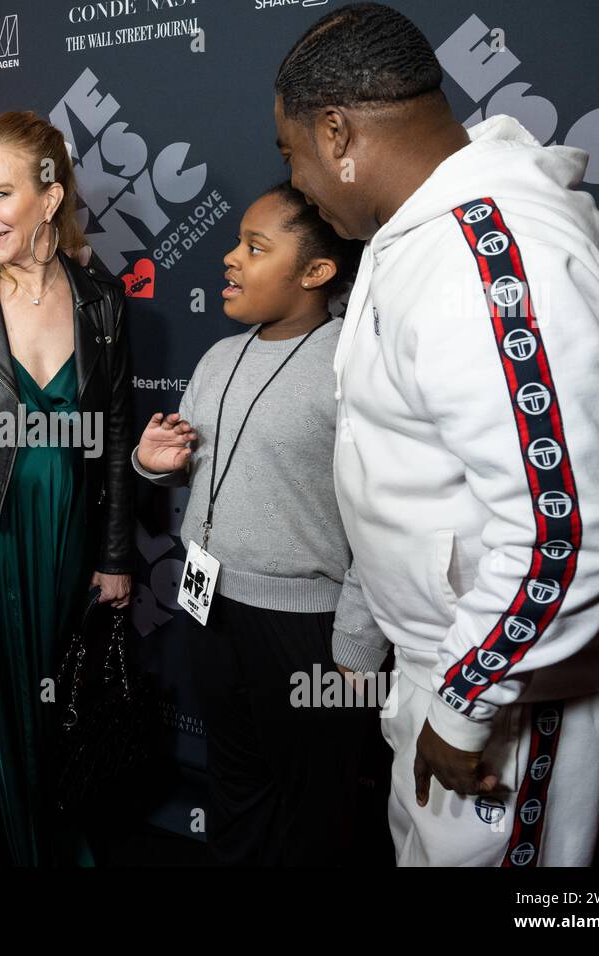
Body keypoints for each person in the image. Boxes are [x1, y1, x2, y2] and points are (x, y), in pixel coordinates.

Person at [272, 2, 599, 866]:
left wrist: (460, 708)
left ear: (337, 133)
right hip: (461, 668)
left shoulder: (489, 263)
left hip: (520, 693)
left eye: (293, 153)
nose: (296, 180)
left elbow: (564, 537)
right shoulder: (410, 235)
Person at [0, 110, 134, 866]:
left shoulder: (103, 304)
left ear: (49, 193)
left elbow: (112, 443)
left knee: (57, 711)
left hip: (67, 540)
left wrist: (113, 555)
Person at [134, 184, 378, 865]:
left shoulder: (350, 370)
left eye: (255, 247)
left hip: (308, 631)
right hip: (211, 609)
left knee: (315, 803)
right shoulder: (219, 356)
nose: (230, 258)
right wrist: (156, 465)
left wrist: (356, 645)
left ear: (316, 273)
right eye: (237, 240)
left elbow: (383, 526)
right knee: (235, 783)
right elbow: (202, 472)